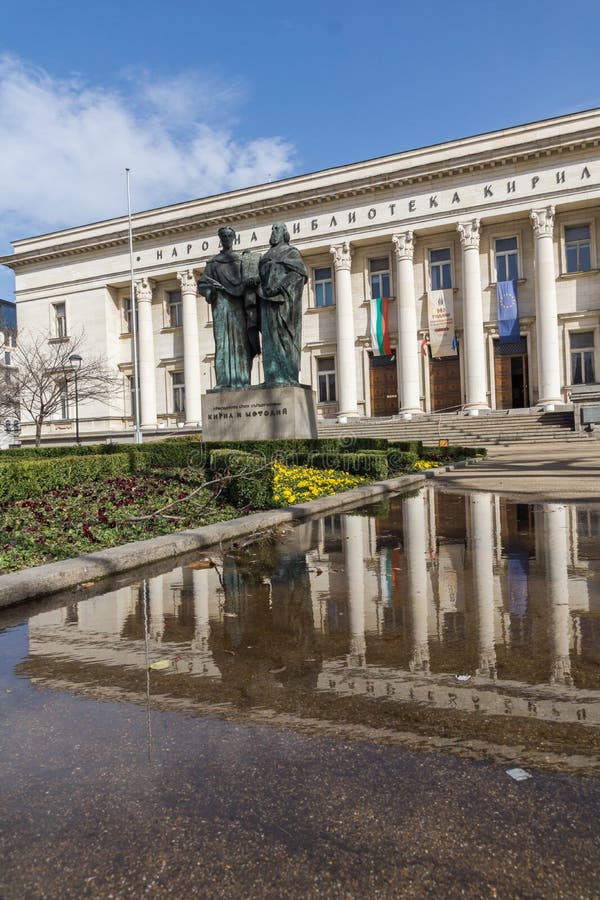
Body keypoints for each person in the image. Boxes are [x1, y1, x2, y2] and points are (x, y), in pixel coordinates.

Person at [197, 227, 258, 390]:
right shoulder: (213, 263)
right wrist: (211, 291)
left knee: (241, 344)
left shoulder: (241, 260)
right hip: (221, 307)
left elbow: (252, 280)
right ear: (220, 238)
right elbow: (203, 284)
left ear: (234, 237)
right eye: (223, 236)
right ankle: (223, 381)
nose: (226, 238)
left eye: (229, 235)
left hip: (239, 307)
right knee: (222, 344)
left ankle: (243, 380)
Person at [258, 222, 307, 387]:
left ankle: (287, 376)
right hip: (267, 302)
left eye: (276, 229)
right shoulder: (265, 256)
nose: (273, 232)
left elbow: (299, 275)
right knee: (269, 340)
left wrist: (280, 286)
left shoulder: (291, 253)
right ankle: (272, 376)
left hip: (284, 304)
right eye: (272, 229)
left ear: (284, 232)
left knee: (284, 337)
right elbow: (259, 277)